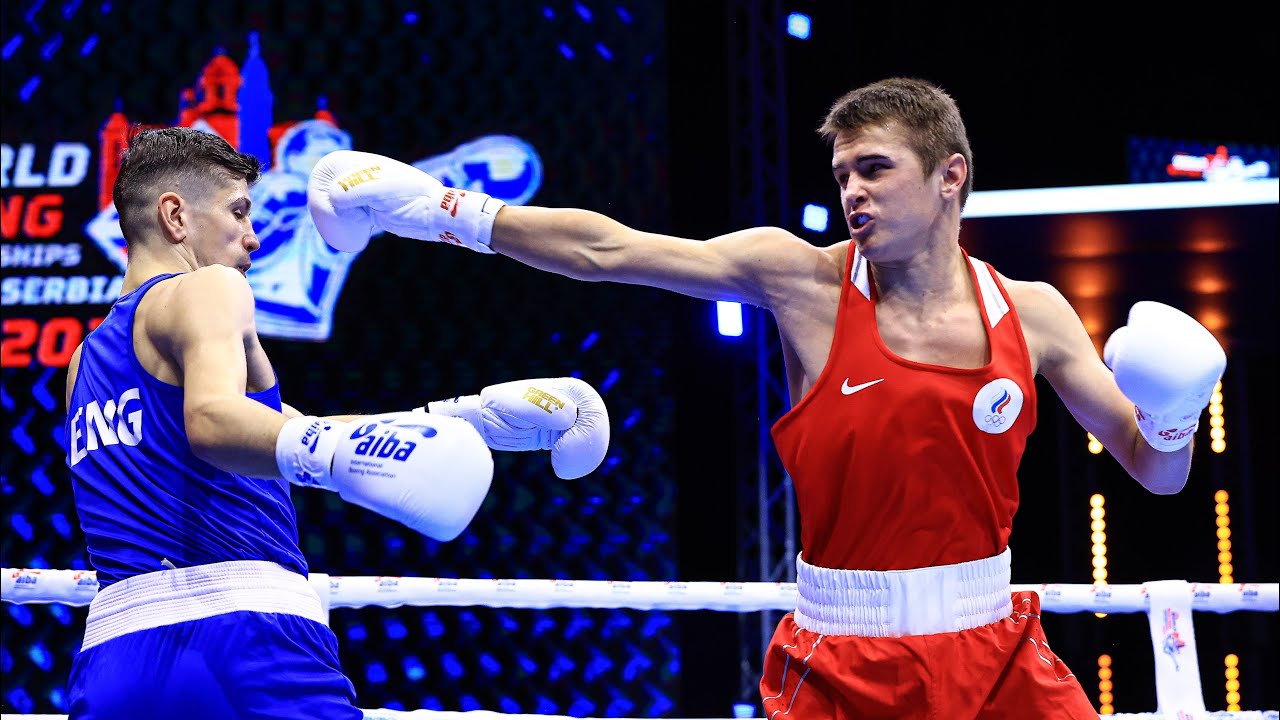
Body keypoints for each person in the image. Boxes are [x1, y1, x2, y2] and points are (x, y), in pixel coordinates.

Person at [306, 77, 1226, 717]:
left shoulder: (1037, 313)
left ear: (952, 175)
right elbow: (612, 249)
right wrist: (443, 213)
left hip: (994, 646)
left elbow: (1157, 472)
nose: (852, 191)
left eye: (875, 169)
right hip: (846, 654)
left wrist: (1176, 413)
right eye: (843, 176)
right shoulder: (804, 283)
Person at [63, 126, 610, 719]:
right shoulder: (208, 288)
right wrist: (345, 453)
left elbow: (276, 429)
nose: (253, 237)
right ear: (176, 216)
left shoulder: (83, 363)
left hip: (113, 659)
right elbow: (213, 423)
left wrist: (464, 421)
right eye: (238, 211)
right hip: (239, 642)